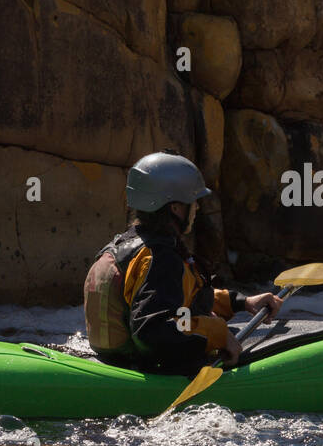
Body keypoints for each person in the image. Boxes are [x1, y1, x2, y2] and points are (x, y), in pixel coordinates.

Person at [83, 152, 282, 374]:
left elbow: (175, 295)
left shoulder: (129, 245)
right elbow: (154, 330)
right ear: (175, 208)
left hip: (114, 359)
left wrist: (240, 303)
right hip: (146, 366)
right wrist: (218, 334)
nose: (197, 209)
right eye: (194, 202)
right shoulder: (159, 258)